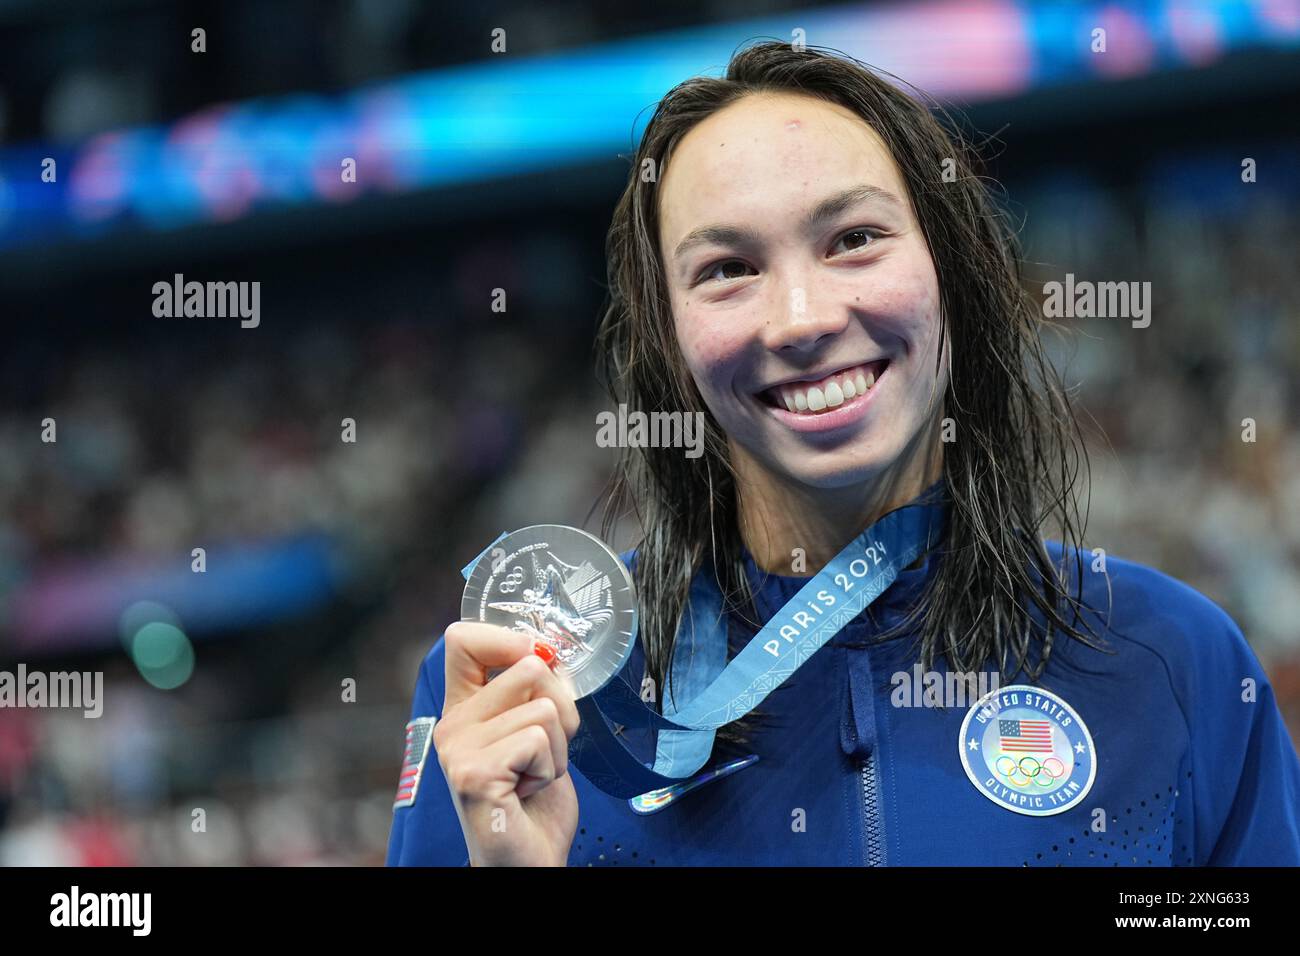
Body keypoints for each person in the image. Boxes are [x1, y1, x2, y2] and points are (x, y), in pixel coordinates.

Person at [386, 41, 1300, 866]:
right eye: (727, 270)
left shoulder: (1173, 659)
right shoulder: (531, 686)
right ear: (667, 338)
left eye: (855, 239)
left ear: (954, 268)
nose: (804, 319)